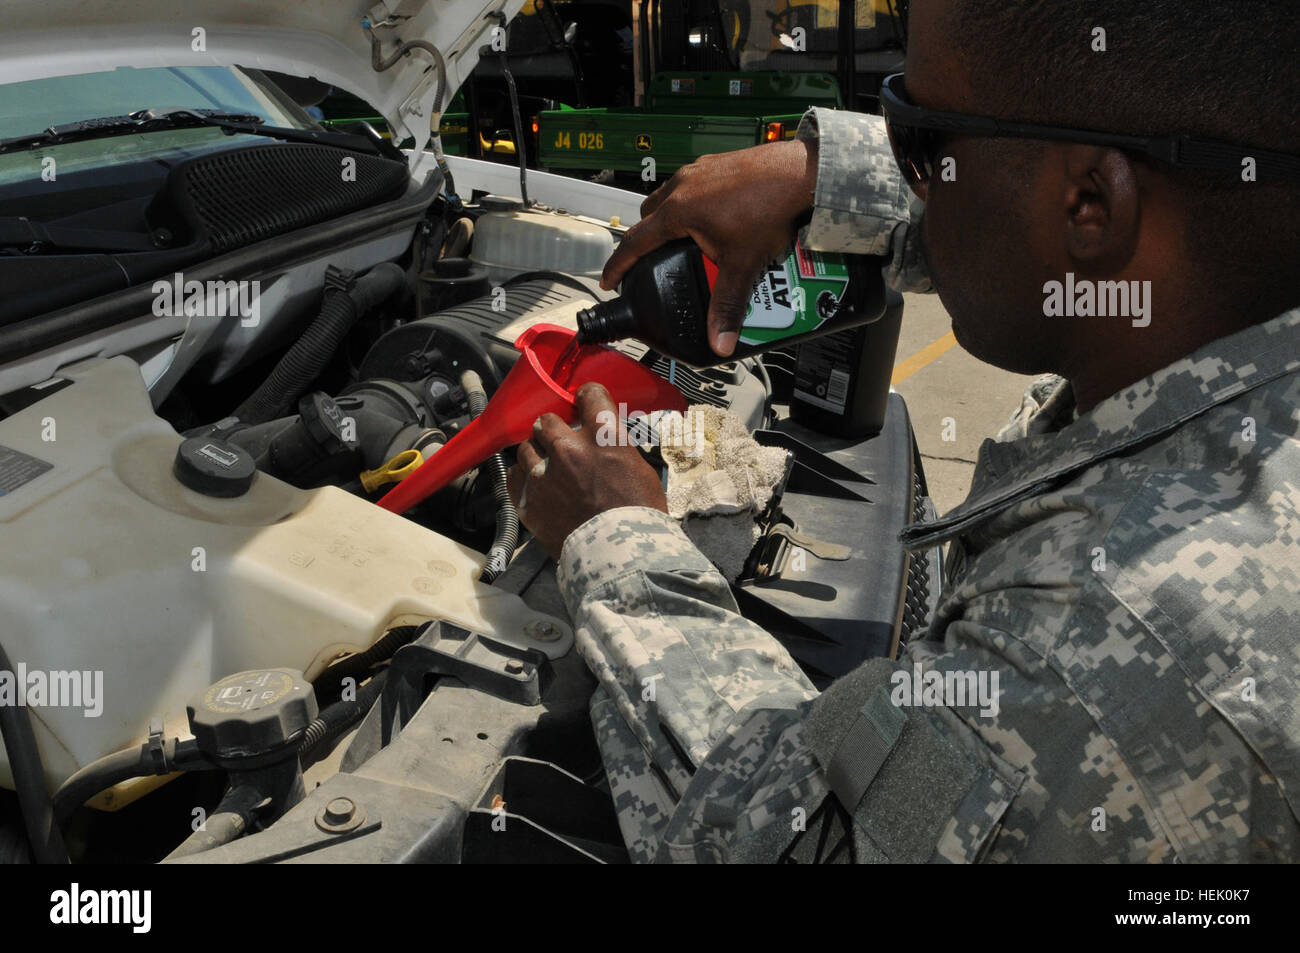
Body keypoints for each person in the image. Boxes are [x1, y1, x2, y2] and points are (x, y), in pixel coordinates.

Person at [506, 0, 1300, 862]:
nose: (910, 178)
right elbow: (1020, 206)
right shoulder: (1232, 290)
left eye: (919, 143)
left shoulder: (1101, 654)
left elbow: (804, 836)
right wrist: (824, 172)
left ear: (1089, 204)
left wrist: (616, 540)